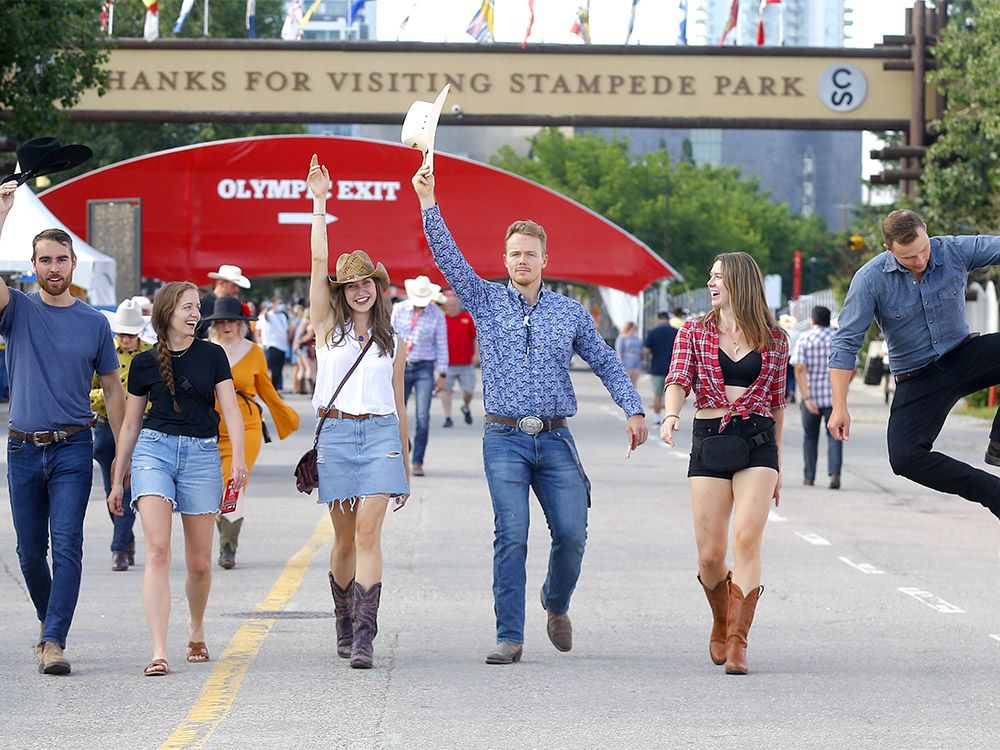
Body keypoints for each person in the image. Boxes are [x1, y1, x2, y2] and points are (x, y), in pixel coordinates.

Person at [412, 164, 648, 665]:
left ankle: (555, 602)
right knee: (511, 532)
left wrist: (633, 409)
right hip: (504, 439)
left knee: (571, 534)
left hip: (556, 439)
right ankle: (509, 635)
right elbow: (448, 259)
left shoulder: (569, 312)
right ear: (505, 259)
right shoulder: (486, 299)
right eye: (515, 254)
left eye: (530, 254)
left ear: (545, 259)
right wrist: (429, 202)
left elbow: (605, 360)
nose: (522, 260)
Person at [0, 182, 126, 676]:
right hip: (23, 449)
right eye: (44, 260)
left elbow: (114, 390)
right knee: (30, 551)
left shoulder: (95, 322)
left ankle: (54, 639)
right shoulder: (18, 310)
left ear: (75, 264)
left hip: (75, 445)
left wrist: (120, 455)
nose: (53, 268)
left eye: (61, 259)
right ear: (33, 266)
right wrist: (4, 214)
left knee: (67, 543)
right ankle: (48, 619)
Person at [107, 281, 247, 677]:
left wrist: (237, 459)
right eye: (187, 308)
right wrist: (119, 478)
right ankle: (158, 651)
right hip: (154, 452)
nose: (194, 315)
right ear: (166, 312)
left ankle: (197, 629)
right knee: (157, 551)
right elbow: (131, 425)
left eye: (197, 308)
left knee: (200, 563)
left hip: (202, 454)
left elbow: (231, 411)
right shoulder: (145, 363)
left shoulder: (213, 355)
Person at [829, 209, 1000, 524]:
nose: (921, 261)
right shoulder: (870, 279)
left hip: (964, 355)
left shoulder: (953, 249)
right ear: (889, 250)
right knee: (905, 458)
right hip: (918, 377)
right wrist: (839, 406)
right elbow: (846, 343)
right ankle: (993, 493)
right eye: (909, 258)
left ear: (926, 230)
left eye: (924, 250)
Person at [661, 252, 787, 676]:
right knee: (711, 555)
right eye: (709, 277)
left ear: (739, 282)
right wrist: (672, 413)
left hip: (757, 443)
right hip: (710, 439)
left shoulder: (775, 337)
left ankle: (738, 643)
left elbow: (777, 404)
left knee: (747, 538)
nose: (711, 284)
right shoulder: (694, 331)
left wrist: (779, 464)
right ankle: (721, 617)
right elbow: (678, 377)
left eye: (718, 277)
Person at [308, 155, 410, 669]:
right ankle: (344, 621)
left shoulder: (394, 340)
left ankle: (366, 635)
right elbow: (316, 265)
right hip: (337, 436)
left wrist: (406, 464)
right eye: (351, 284)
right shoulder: (327, 327)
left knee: (369, 533)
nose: (360, 288)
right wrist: (321, 204)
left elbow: (398, 402)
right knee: (344, 539)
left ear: (378, 285)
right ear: (341, 292)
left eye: (367, 281)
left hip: (382, 436)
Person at [204, 296, 300, 569]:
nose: (226, 326)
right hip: (211, 426)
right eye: (221, 322)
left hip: (246, 425)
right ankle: (226, 535)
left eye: (232, 321)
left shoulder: (255, 352)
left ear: (242, 323)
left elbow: (267, 390)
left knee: (235, 482)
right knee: (216, 486)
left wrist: (285, 416)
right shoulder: (206, 349)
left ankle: (227, 546)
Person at [92, 299, 153, 571]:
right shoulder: (104, 352)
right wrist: (112, 399)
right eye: (122, 333)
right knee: (110, 488)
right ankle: (125, 538)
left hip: (139, 428)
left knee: (128, 486)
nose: (126, 338)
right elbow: (90, 390)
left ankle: (119, 548)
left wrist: (138, 402)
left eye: (131, 333)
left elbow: (158, 391)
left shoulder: (151, 354)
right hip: (106, 426)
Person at [390, 275, 449, 476]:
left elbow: (441, 345)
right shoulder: (399, 309)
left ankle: (417, 461)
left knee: (423, 417)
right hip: (401, 366)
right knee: (397, 414)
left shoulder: (437, 315)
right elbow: (390, 338)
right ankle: (402, 450)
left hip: (424, 367)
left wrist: (442, 373)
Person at [790, 305, 843, 489]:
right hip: (833, 398)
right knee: (835, 435)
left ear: (812, 320)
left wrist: (805, 397)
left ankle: (809, 476)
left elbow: (799, 368)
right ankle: (835, 474)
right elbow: (851, 367)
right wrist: (842, 389)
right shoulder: (837, 338)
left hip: (811, 395)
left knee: (810, 437)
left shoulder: (805, 338)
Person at [441, 290, 478, 428]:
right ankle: (448, 417)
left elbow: (475, 338)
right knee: (446, 390)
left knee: (469, 390)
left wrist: (476, 354)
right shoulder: (442, 319)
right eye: (450, 305)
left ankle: (466, 406)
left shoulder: (467, 318)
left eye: (455, 305)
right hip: (447, 363)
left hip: (466, 362)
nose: (453, 308)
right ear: (446, 306)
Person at [196, 264, 251, 339]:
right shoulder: (204, 303)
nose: (236, 290)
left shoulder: (236, 305)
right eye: (233, 286)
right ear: (222, 283)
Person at [643, 311, 679, 424]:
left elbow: (646, 351)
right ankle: (671, 418)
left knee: (657, 394)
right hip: (673, 368)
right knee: (672, 394)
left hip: (657, 367)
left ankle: (657, 418)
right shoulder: (676, 332)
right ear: (668, 319)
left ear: (658, 319)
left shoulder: (653, 332)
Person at [258, 300, 293, 392]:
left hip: (282, 345)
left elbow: (287, 329)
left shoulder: (282, 316)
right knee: (274, 369)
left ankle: (276, 388)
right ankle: (273, 389)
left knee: (279, 368)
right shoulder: (268, 315)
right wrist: (268, 308)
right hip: (272, 345)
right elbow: (265, 316)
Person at [615, 321, 644, 386]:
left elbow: (641, 348)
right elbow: (619, 351)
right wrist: (620, 362)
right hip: (627, 360)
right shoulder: (622, 338)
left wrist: (641, 360)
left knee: (634, 381)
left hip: (636, 360)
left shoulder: (636, 338)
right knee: (628, 381)